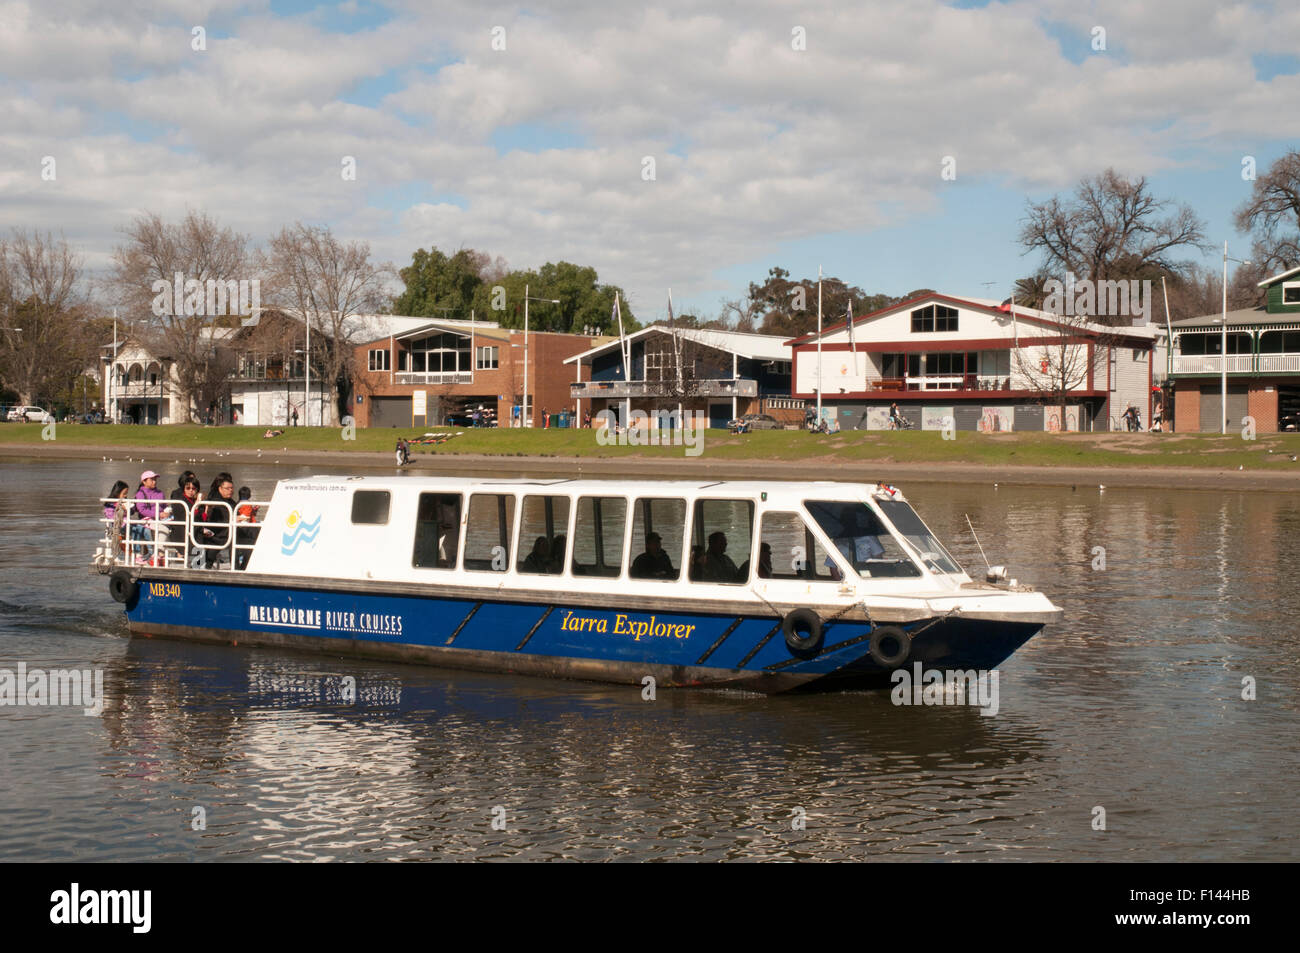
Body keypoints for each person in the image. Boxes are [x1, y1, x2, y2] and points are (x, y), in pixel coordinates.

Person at [197, 473, 236, 568]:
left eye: (232, 488)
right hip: (216, 533)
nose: (231, 490)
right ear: (220, 488)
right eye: (228, 488)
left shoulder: (229, 501)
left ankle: (237, 566)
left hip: (223, 532)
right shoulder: (216, 500)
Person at [131, 470, 165, 564]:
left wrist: (166, 513)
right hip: (147, 520)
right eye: (152, 479)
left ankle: (160, 554)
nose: (154, 481)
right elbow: (142, 510)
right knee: (160, 529)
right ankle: (155, 554)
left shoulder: (160, 493)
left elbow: (164, 506)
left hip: (162, 519)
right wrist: (158, 514)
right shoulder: (140, 494)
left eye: (155, 479)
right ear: (144, 481)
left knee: (171, 526)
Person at [170, 473, 203, 567]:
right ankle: (194, 565)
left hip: (196, 531)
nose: (191, 491)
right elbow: (184, 516)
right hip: (182, 531)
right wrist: (196, 506)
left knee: (201, 536)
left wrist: (204, 507)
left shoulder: (198, 501)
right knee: (196, 538)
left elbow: (203, 517)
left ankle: (199, 566)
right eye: (188, 488)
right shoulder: (179, 500)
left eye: (193, 488)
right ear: (184, 488)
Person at [235, 486, 260, 570]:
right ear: (249, 495)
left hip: (242, 529)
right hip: (249, 529)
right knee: (250, 549)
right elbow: (246, 518)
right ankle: (244, 567)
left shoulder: (238, 503)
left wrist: (254, 511)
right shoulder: (248, 504)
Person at [104, 480, 130, 559]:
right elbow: (110, 516)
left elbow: (131, 512)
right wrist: (121, 509)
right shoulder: (110, 504)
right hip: (119, 527)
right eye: (124, 493)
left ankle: (137, 555)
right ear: (117, 493)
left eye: (126, 494)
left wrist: (128, 509)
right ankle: (124, 555)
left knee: (140, 529)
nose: (125, 496)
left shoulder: (125, 502)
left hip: (127, 525)